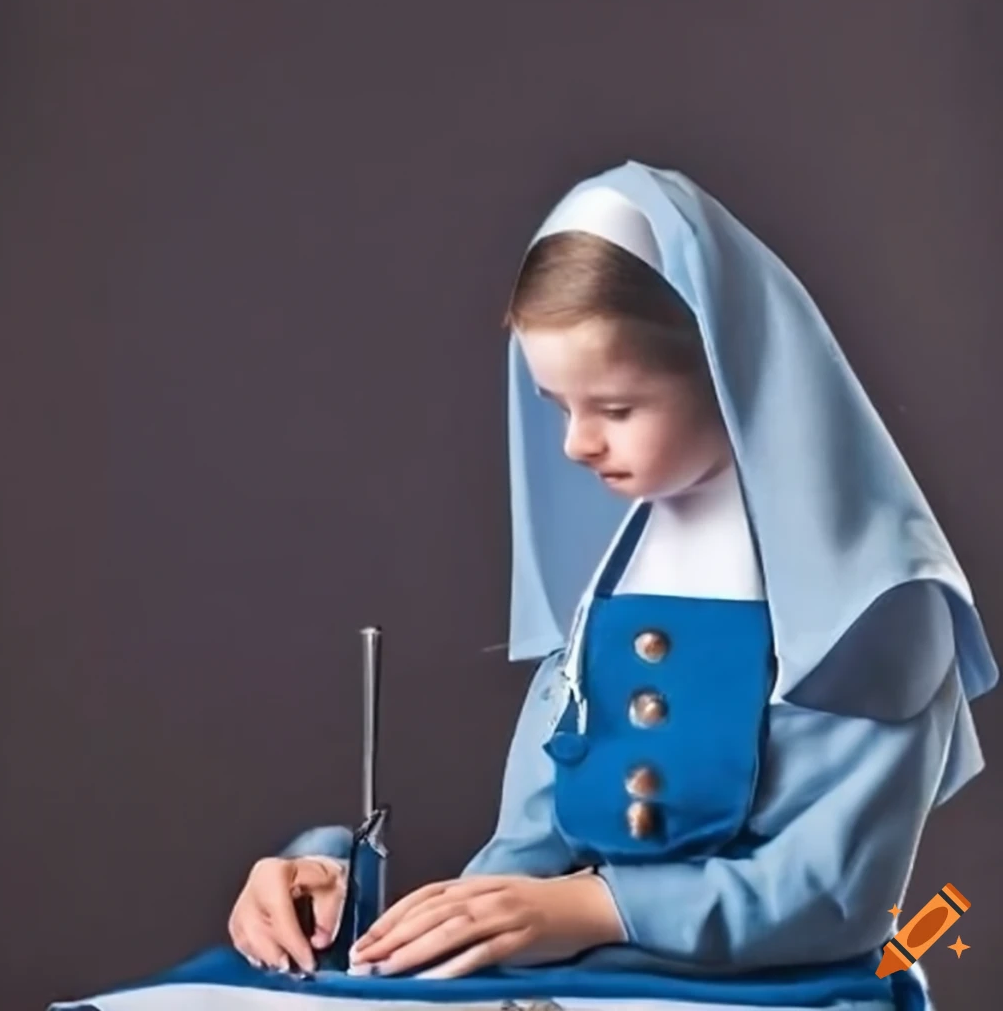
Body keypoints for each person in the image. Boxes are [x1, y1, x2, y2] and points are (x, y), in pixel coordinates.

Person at [52, 161, 998, 1010]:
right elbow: (520, 867)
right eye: (557, 407)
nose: (577, 446)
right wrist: (339, 884)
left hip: (771, 995)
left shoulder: (876, 604)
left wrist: (594, 905)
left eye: (615, 409)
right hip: (586, 980)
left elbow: (832, 897)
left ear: (734, 370)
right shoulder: (614, 578)